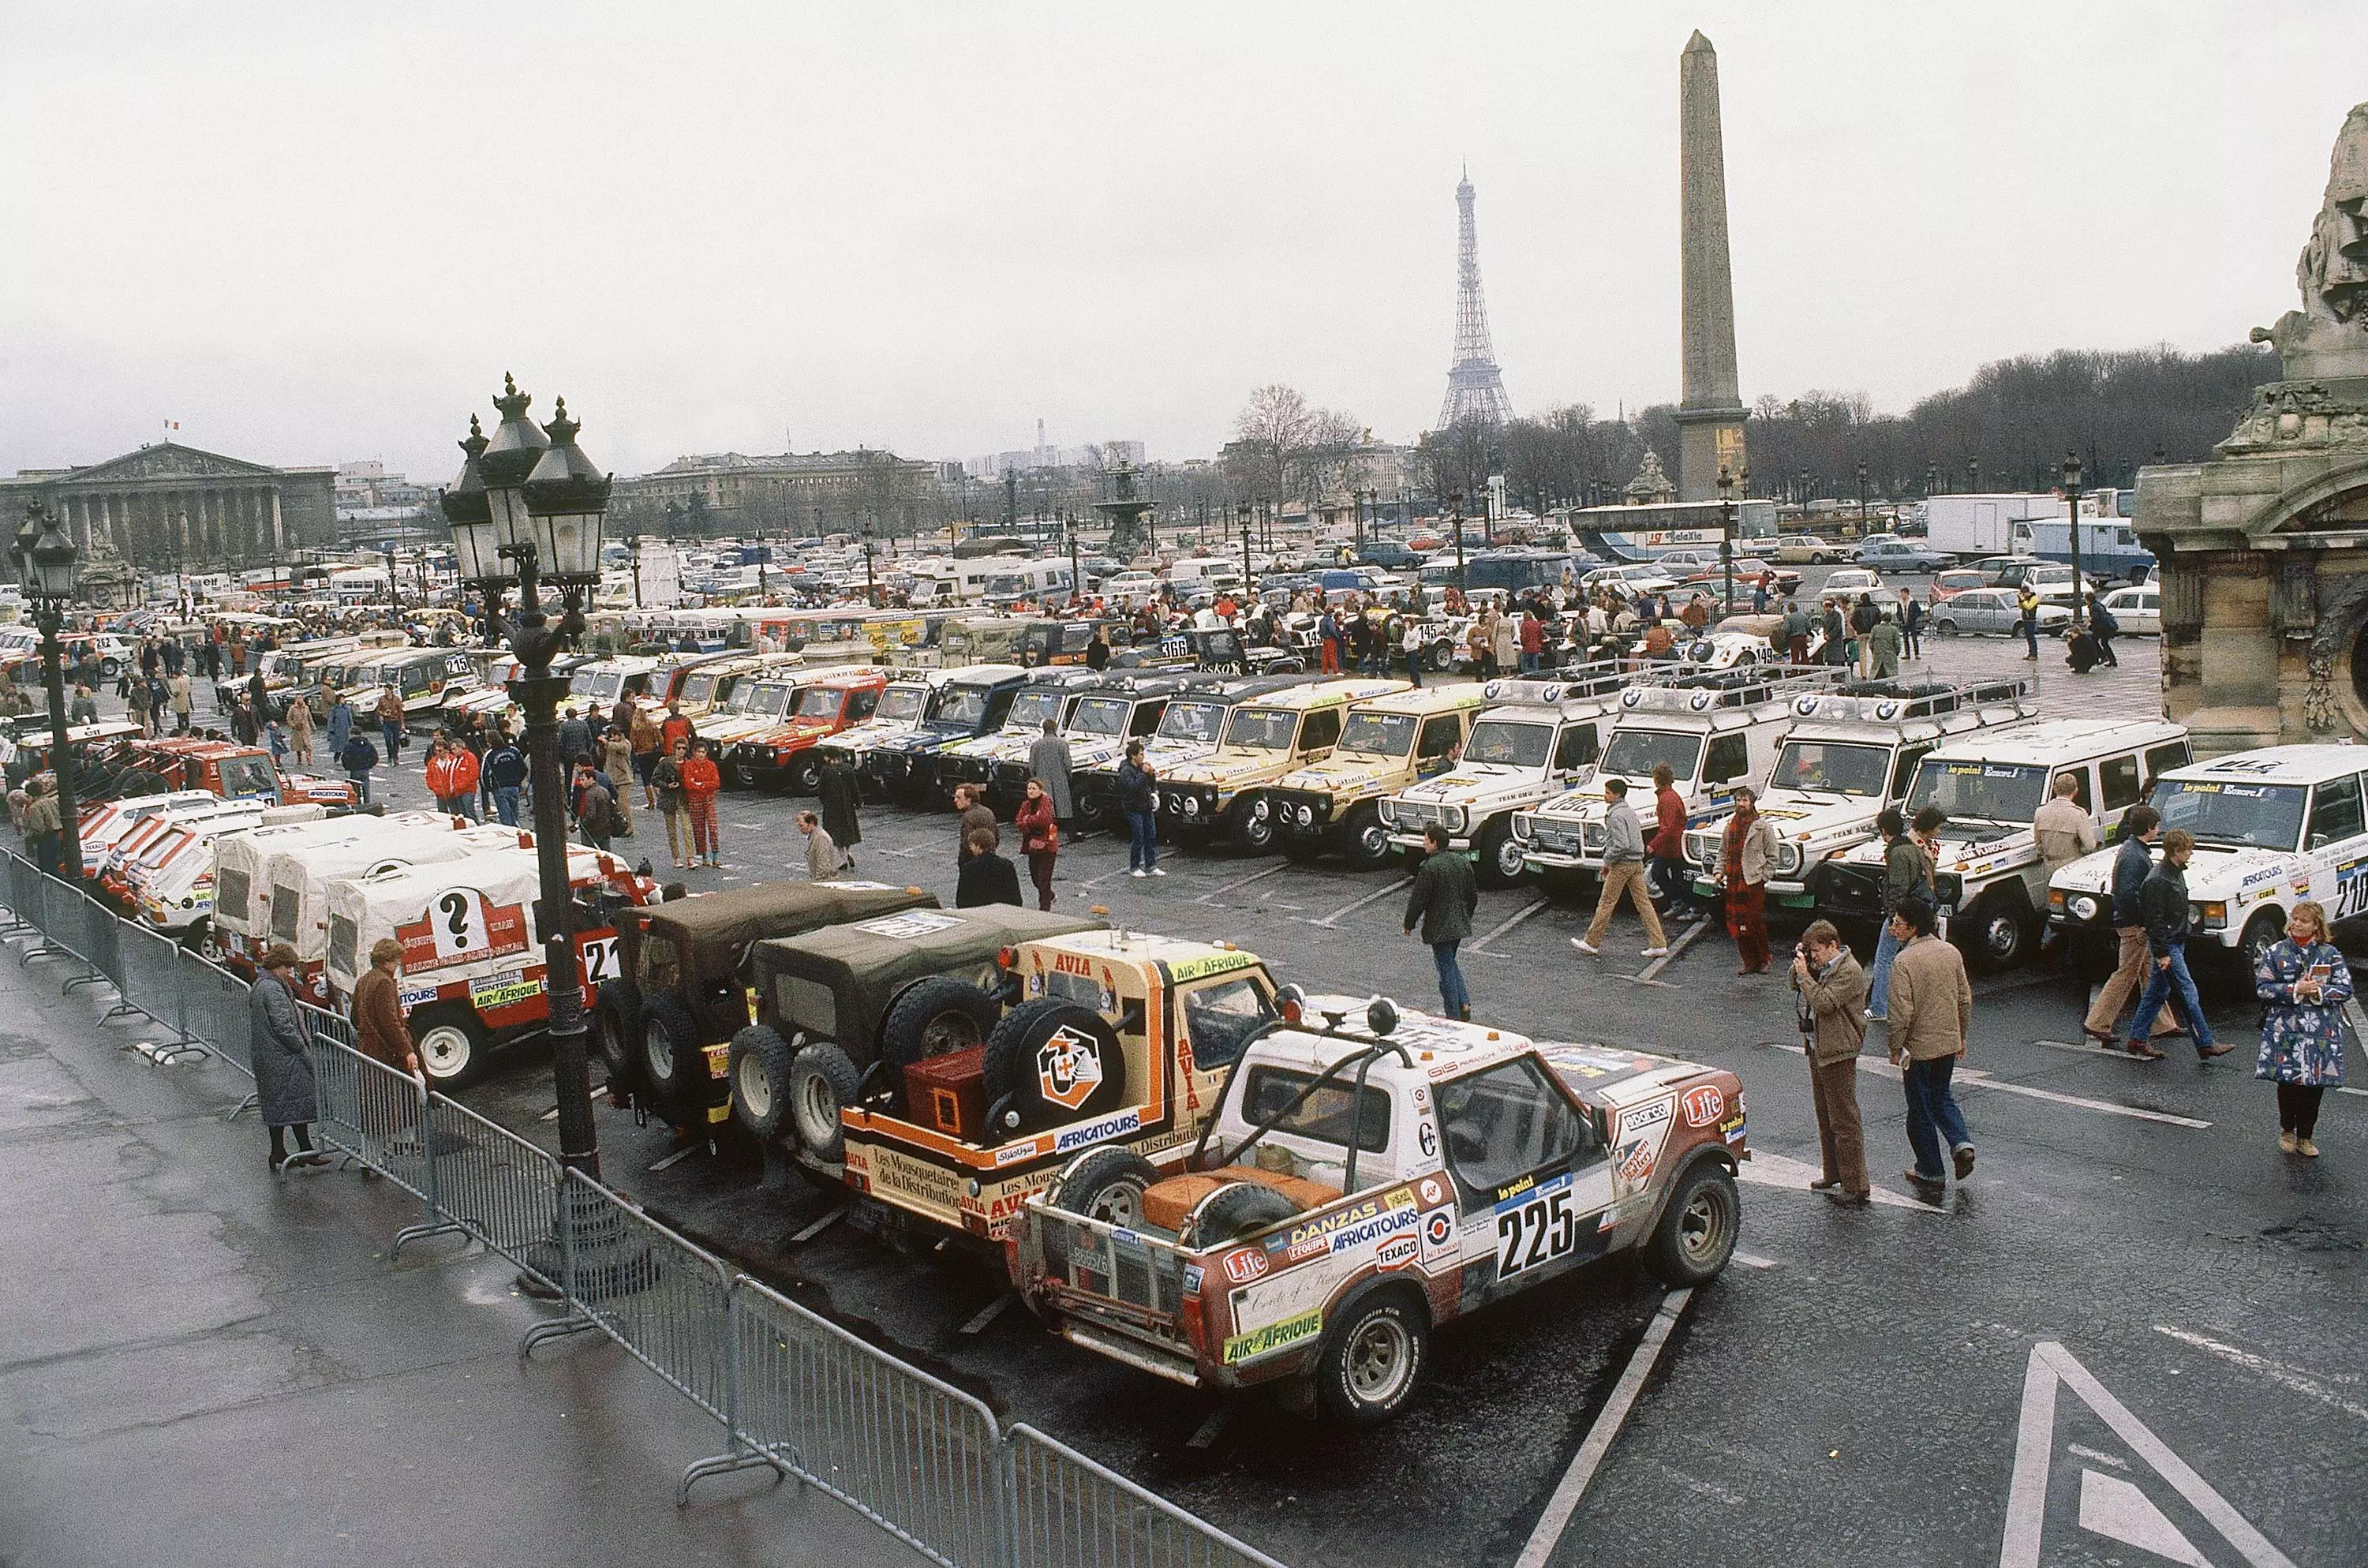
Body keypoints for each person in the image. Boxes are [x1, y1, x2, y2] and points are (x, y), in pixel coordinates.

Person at [1884, 897, 1975, 1198]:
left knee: (1919, 1110)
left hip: (1919, 1049)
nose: (1893, 927)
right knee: (1942, 1096)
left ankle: (1930, 1170)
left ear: (1912, 928)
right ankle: (1961, 1143)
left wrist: (1895, 1048)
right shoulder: (1951, 952)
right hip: (1948, 1042)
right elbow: (1964, 998)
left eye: (1898, 923)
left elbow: (1900, 1013)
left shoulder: (1904, 962)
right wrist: (1961, 1035)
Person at [2125, 829, 2234, 1061]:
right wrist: (2162, 952)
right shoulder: (2160, 879)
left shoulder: (2171, 873)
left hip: (2174, 940)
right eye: (2188, 849)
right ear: (2177, 851)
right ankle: (2204, 1042)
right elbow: (2154, 919)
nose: (2191, 853)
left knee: (2157, 992)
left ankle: (2137, 1038)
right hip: (2170, 944)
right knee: (2188, 992)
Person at [2255, 900, 2347, 1158]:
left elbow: (2345, 989)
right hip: (2286, 1030)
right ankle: (2287, 1130)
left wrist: (2318, 990)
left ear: (2316, 927)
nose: (2297, 923)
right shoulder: (2275, 952)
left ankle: (2306, 1136)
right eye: (2294, 918)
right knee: (2288, 1082)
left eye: (2304, 920)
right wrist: (2295, 989)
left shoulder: (2331, 955)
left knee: (2314, 1086)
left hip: (2321, 1032)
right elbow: (2263, 988)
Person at [2083, 804, 2180, 1048]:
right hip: (2134, 925)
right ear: (2149, 828)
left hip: (2134, 923)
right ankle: (2097, 1022)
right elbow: (2127, 894)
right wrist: (2146, 920)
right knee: (2126, 974)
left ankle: (2163, 1024)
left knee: (2150, 973)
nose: (2158, 831)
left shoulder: (2132, 849)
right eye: (2156, 827)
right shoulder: (2135, 856)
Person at [1790, 919, 1871, 1205]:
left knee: (1845, 1119)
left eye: (1816, 951)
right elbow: (1794, 984)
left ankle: (1857, 1184)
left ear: (1832, 945)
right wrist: (1799, 965)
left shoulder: (1849, 971)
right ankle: (1833, 1172)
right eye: (1809, 951)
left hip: (1839, 1049)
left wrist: (1805, 975)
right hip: (1819, 1048)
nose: (1813, 957)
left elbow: (1824, 1003)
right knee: (1825, 1115)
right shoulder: (1821, 966)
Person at [250, 945, 329, 1173]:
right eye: (287, 967)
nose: (290, 972)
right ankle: (304, 1150)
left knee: (279, 1107)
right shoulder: (273, 989)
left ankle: (280, 1151)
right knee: (296, 1103)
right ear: (277, 966)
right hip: (284, 1058)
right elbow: (284, 1027)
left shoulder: (260, 985)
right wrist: (302, 1049)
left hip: (268, 1057)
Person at [1572, 778, 1668, 958]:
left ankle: (1592, 942)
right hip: (1636, 863)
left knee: (1606, 902)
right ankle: (1658, 943)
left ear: (1616, 795)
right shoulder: (1629, 811)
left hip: (1622, 864)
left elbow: (1621, 844)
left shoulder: (1615, 815)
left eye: (1607, 792)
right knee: (1644, 904)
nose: (1605, 796)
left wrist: (1607, 861)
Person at [350, 936, 421, 1154]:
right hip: (383, 1052)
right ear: (386, 961)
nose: (398, 964)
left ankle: (375, 1154)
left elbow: (354, 1017)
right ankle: (376, 1156)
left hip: (367, 1049)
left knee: (375, 1104)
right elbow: (390, 1022)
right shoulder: (383, 983)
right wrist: (407, 1050)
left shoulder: (364, 980)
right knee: (387, 1104)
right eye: (397, 959)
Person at [1404, 823, 1480, 1020]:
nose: (1424, 844)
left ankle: (1454, 1012)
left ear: (1435, 843)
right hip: (1460, 924)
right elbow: (1473, 895)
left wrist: (1409, 923)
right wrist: (1465, 916)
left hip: (1439, 927)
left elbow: (1419, 899)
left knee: (1445, 968)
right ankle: (1464, 1005)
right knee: (1450, 963)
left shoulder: (1430, 868)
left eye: (1426, 840)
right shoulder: (1462, 862)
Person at [1864, 807, 1930, 1022]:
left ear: (1884, 831)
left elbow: (1898, 888)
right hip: (1914, 912)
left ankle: (1879, 1007)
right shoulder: (1910, 847)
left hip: (1902, 914)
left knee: (1884, 960)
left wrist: (1894, 918)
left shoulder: (1898, 853)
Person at [2032, 773, 2097, 965]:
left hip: (2049, 865)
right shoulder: (2078, 814)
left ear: (2054, 789)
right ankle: (2068, 951)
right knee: (2071, 909)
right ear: (2075, 791)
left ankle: (2047, 942)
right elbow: (2090, 845)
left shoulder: (2041, 812)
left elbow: (2037, 842)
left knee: (2052, 907)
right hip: (2071, 864)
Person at [1720, 785, 1779, 974]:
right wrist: (1718, 871)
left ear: (1752, 803)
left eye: (1745, 800)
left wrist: (1764, 876)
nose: (1741, 804)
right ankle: (1748, 962)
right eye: (1738, 800)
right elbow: (1722, 853)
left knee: (1754, 922)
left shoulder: (1763, 827)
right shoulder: (1730, 826)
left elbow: (1773, 855)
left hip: (1753, 882)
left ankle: (1764, 958)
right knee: (1737, 923)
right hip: (1733, 880)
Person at [1646, 762, 1689, 918]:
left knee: (1661, 873)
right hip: (1672, 845)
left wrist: (1653, 843)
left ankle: (1681, 902)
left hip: (1671, 846)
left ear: (1657, 779)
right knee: (1677, 876)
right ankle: (1681, 902)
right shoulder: (1670, 796)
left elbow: (1668, 826)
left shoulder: (1667, 799)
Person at [1117, 739, 1161, 878]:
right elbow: (1132, 787)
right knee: (1139, 837)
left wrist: (1151, 774)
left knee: (1151, 835)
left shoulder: (1142, 768)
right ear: (1133, 756)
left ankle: (1151, 865)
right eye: (1141, 754)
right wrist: (1143, 774)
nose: (1143, 757)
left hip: (1146, 806)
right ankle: (1134, 866)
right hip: (1134, 808)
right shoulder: (1126, 771)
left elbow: (1150, 785)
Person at [1014, 777, 1061, 909]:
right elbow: (1018, 822)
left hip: (1047, 847)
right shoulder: (1026, 805)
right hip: (1032, 847)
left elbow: (1044, 820)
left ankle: (1044, 909)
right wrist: (1028, 822)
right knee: (1035, 878)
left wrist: (1027, 819)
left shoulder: (1045, 802)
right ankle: (1050, 895)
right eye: (1029, 788)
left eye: (1034, 788)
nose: (1031, 791)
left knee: (1043, 881)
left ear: (1041, 790)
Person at [681, 739, 724, 867]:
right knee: (699, 828)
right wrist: (704, 785)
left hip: (709, 799)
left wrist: (701, 784)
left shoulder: (711, 765)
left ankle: (715, 855)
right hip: (695, 800)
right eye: (698, 752)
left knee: (713, 827)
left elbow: (716, 783)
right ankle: (704, 855)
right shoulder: (689, 765)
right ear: (694, 753)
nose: (701, 754)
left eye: (703, 752)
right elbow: (688, 784)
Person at [956, 825, 1022, 907]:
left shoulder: (968, 867)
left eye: (972, 845)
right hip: (1003, 913)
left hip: (978, 914)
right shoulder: (1007, 865)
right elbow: (1016, 899)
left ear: (978, 846)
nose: (970, 848)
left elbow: (962, 900)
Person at [817, 754, 862, 870]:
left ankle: (844, 858)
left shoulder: (826, 770)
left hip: (832, 806)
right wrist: (858, 801)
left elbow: (821, 790)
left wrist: (824, 801)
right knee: (847, 831)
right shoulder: (848, 768)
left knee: (835, 833)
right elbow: (855, 787)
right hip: (847, 805)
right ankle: (848, 853)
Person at [1028, 718, 1074, 824]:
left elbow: (1032, 766)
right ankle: (1071, 833)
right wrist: (1069, 776)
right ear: (1055, 729)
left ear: (1044, 729)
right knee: (1064, 807)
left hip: (1042, 780)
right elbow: (1067, 764)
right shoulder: (1062, 744)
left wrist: (1036, 779)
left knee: (1044, 808)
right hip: (1060, 779)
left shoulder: (1036, 745)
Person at [653, 737, 690, 868]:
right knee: (672, 830)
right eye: (679, 748)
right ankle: (677, 857)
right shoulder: (666, 763)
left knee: (687, 829)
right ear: (674, 749)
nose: (681, 751)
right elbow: (655, 779)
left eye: (684, 748)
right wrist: (667, 786)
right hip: (669, 798)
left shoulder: (688, 763)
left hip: (683, 798)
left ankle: (690, 857)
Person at [425, 734, 481, 820]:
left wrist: (459, 785)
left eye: (440, 751)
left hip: (454, 793)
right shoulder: (433, 763)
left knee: (461, 813)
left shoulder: (455, 760)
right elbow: (429, 777)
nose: (437, 753)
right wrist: (434, 788)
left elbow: (472, 774)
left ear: (446, 751)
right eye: (436, 751)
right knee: (442, 816)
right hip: (441, 793)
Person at [481, 730, 526, 828]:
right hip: (514, 787)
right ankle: (518, 833)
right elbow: (524, 768)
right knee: (515, 814)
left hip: (499, 788)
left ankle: (510, 836)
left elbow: (484, 774)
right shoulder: (514, 751)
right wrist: (517, 782)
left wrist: (490, 788)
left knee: (505, 817)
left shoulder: (490, 754)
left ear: (489, 741)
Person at [572, 759, 618, 851]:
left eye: (583, 780)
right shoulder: (604, 790)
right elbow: (613, 805)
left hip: (592, 830)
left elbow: (591, 816)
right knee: (606, 853)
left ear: (591, 779)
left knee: (590, 852)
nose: (581, 782)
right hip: (605, 828)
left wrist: (580, 825)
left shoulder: (589, 794)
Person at [600, 724, 636, 834]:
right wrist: (602, 745)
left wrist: (608, 743)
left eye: (614, 736)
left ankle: (629, 827)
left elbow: (622, 748)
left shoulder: (625, 743)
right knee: (616, 805)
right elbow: (601, 755)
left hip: (624, 778)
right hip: (613, 778)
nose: (613, 738)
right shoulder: (611, 745)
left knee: (623, 804)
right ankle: (621, 826)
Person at [21, 777, 61, 876]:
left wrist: (30, 838)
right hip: (57, 836)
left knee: (46, 869)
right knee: (55, 866)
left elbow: (39, 828)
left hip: (45, 840)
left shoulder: (34, 808)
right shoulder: (51, 801)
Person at [952, 784, 995, 868]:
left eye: (959, 797)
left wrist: (963, 863)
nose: (955, 800)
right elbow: (996, 836)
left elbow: (966, 844)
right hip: (990, 859)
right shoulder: (988, 812)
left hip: (971, 863)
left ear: (969, 799)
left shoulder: (968, 817)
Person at [630, 704, 664, 810]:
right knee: (655, 777)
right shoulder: (652, 725)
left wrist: (635, 750)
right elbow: (661, 739)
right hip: (653, 752)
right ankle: (661, 800)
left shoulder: (635, 727)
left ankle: (651, 802)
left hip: (642, 754)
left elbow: (632, 742)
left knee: (646, 779)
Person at [799, 810, 847, 881]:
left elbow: (823, 865)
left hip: (826, 881)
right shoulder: (815, 836)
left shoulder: (821, 838)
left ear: (811, 823)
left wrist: (818, 883)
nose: (800, 829)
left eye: (802, 825)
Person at [339, 728, 379, 806]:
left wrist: (348, 766)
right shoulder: (367, 743)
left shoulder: (349, 744)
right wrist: (370, 765)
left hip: (354, 769)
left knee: (355, 788)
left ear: (352, 733)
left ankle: (357, 803)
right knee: (366, 787)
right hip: (365, 769)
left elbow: (345, 757)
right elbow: (375, 756)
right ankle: (367, 803)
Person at [1850, 593, 1881, 677]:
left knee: (1862, 654)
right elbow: (1879, 619)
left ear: (1861, 600)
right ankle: (1876, 671)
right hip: (1873, 633)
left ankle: (1863, 674)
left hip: (1861, 633)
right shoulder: (1875, 608)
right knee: (1874, 652)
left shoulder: (1858, 609)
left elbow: (1852, 621)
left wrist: (1858, 630)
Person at [2088, 591, 2120, 667]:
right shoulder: (2099, 605)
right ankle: (2112, 660)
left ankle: (2103, 657)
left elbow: (2096, 618)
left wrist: (2090, 620)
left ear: (2088, 600)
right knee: (2104, 643)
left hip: (2102, 628)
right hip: (2106, 627)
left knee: (2094, 640)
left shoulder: (2093, 607)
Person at [1868, 611, 1902, 679]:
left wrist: (1874, 651)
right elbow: (1898, 644)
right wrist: (1895, 653)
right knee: (1891, 676)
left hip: (1878, 655)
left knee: (1876, 673)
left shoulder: (1875, 629)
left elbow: (1871, 642)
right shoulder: (1894, 629)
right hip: (1890, 655)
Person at [376, 687, 406, 762]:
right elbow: (378, 710)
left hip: (395, 722)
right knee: (388, 740)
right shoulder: (382, 699)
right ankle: (390, 756)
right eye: (385, 691)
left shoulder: (396, 699)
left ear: (391, 691)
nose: (386, 692)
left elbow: (400, 712)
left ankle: (395, 756)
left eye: (387, 690)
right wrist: (383, 713)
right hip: (387, 722)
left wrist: (402, 724)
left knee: (396, 740)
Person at [284, 690, 312, 765]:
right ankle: (299, 759)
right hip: (297, 730)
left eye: (301, 698)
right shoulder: (292, 708)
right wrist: (293, 725)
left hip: (305, 729)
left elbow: (309, 718)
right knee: (298, 746)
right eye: (298, 698)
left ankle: (309, 760)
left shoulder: (306, 708)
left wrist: (313, 727)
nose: (300, 700)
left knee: (308, 745)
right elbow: (288, 718)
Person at [326, 688, 353, 763]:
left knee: (345, 745)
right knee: (338, 746)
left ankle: (344, 758)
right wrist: (331, 729)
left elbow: (349, 718)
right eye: (342, 699)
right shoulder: (335, 709)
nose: (343, 700)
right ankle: (337, 757)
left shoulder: (346, 708)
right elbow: (331, 719)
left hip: (345, 729)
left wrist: (352, 727)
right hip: (337, 729)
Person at [1780, 600, 1810, 665]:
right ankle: (1806, 670)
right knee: (1804, 655)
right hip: (1803, 638)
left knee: (1795, 656)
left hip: (1794, 639)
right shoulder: (1803, 616)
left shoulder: (1789, 618)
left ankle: (1794, 671)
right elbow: (1809, 627)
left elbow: (1786, 629)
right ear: (1796, 608)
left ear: (1789, 609)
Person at [2017, 585, 2041, 660]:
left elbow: (2028, 607)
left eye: (2024, 594)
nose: (2023, 596)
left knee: (2031, 637)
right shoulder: (2026, 599)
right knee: (2028, 637)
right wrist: (2020, 600)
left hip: (2031, 620)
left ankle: (2034, 654)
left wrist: (2023, 600)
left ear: (2028, 593)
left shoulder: (2034, 598)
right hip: (2025, 620)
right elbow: (2021, 606)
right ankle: (2030, 653)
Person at [1898, 589, 1924, 660]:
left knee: (1914, 638)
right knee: (1905, 638)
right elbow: (1898, 612)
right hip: (1904, 623)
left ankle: (1916, 654)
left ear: (1907, 594)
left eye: (1903, 594)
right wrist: (1900, 619)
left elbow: (1918, 611)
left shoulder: (1913, 602)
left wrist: (1913, 618)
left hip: (1912, 623)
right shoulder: (1900, 603)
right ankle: (1907, 654)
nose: (1902, 595)